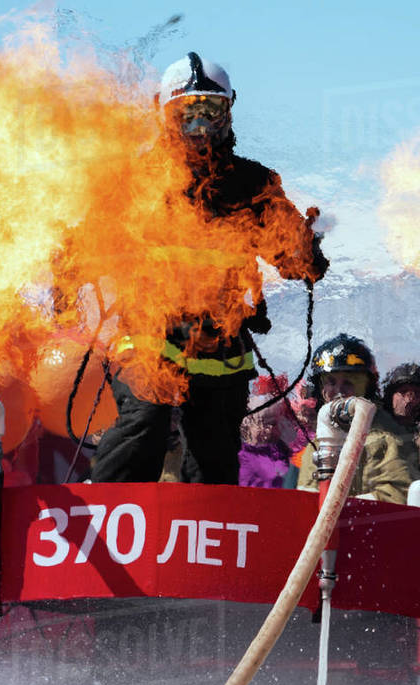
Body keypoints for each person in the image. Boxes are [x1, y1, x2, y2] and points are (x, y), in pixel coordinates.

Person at [89, 53, 326, 485]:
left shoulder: (254, 184)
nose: (200, 125)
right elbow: (90, 242)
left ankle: (205, 543)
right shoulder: (137, 179)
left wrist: (307, 250)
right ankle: (101, 519)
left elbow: (293, 263)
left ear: (229, 111)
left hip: (221, 340)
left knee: (214, 459)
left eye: (211, 111)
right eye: (188, 112)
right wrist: (69, 274)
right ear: (165, 113)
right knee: (145, 423)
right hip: (148, 330)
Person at [296, 334, 419, 504]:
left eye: (348, 382)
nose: (338, 391)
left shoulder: (387, 439)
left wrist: (343, 508)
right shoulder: (316, 446)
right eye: (331, 382)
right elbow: (304, 502)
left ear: (366, 388)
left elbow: (399, 495)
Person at [380, 362, 420, 456]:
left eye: (416, 394)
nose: (409, 400)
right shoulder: (374, 427)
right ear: (390, 396)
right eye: (403, 392)